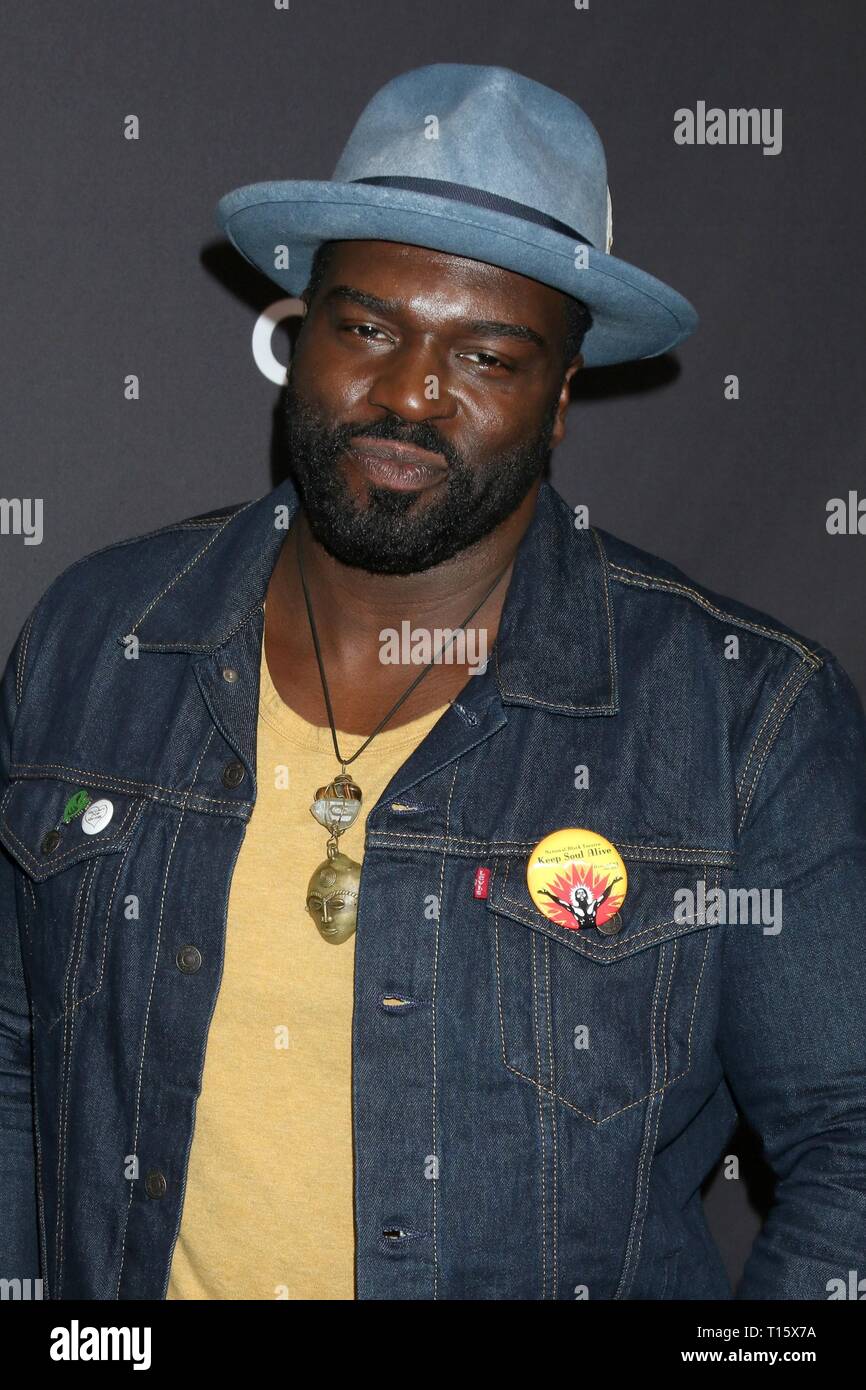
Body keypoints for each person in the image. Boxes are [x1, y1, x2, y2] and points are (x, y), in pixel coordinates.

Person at [1, 62, 864, 1302]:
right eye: (367, 328)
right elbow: (16, 1055)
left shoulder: (742, 718)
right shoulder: (99, 640)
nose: (409, 391)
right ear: (298, 337)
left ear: (560, 396)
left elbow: (848, 1150)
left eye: (488, 356)